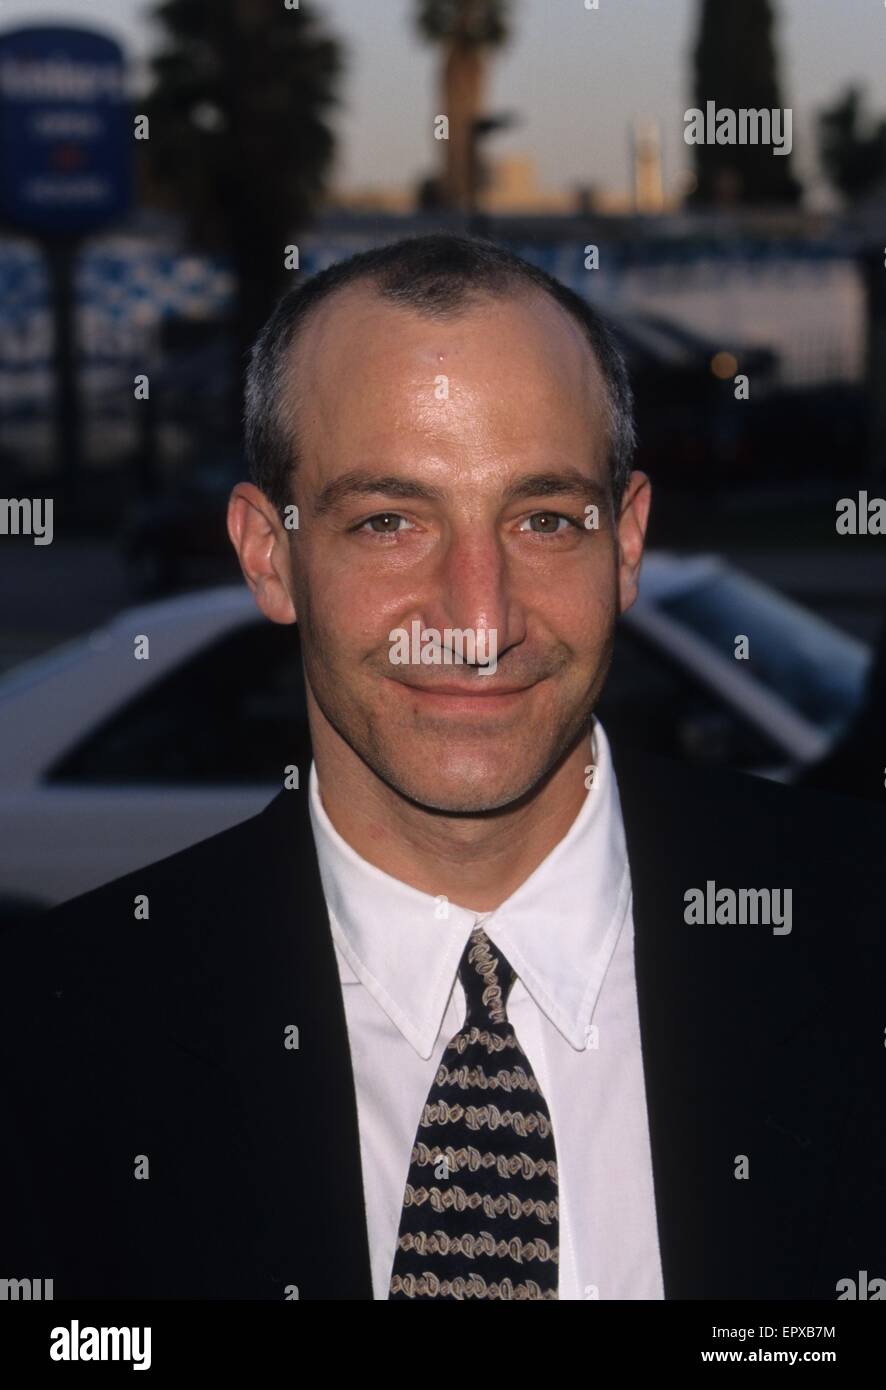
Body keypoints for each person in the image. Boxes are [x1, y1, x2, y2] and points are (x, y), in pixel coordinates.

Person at [2, 234, 884, 1301]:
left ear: (629, 544)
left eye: (545, 518)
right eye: (388, 522)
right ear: (267, 555)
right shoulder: (57, 1047)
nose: (477, 618)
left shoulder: (851, 933)